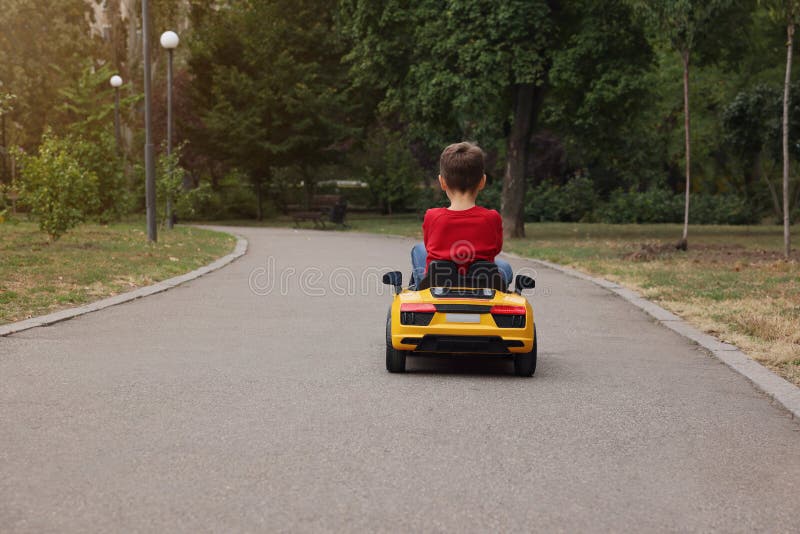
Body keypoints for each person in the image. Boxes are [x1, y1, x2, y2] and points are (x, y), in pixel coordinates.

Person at [411, 141, 513, 288]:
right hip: (483, 282)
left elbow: (430, 247)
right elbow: (495, 249)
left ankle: (417, 291)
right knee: (504, 267)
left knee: (419, 249)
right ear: (482, 181)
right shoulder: (492, 218)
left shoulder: (432, 216)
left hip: (438, 282)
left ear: (442, 182)